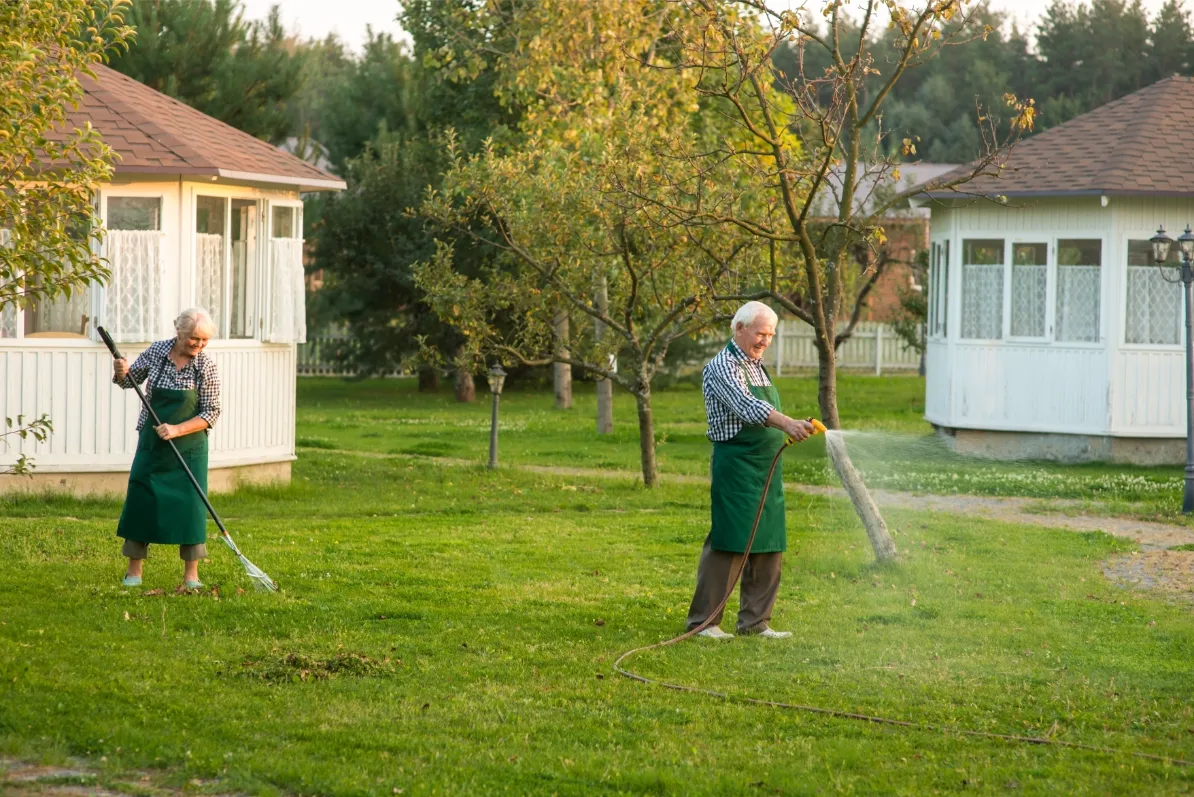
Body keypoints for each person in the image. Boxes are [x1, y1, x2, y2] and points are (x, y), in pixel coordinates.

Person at [686, 301, 814, 640]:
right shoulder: (722, 366)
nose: (765, 341)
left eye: (771, 335)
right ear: (739, 328)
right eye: (761, 333)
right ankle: (704, 623)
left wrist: (793, 426)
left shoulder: (757, 366)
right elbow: (747, 405)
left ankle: (756, 622)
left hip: (766, 467)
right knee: (730, 541)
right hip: (737, 465)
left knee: (769, 541)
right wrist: (787, 423)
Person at [112, 308, 221, 589]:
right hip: (152, 444)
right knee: (141, 499)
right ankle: (134, 572)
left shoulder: (205, 366)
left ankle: (191, 576)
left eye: (204, 340)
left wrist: (176, 429)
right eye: (194, 338)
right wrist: (121, 371)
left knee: (191, 507)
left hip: (190, 448)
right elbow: (129, 381)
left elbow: (211, 412)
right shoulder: (158, 351)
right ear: (179, 332)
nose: (199, 345)